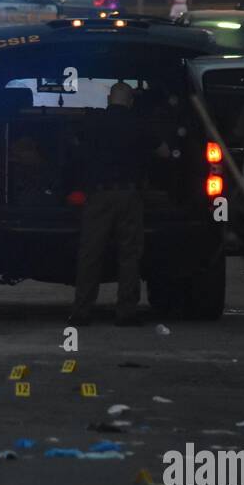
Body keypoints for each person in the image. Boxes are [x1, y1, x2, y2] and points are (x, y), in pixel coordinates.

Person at [69, 81, 163, 326]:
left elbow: (75, 148)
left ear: (109, 99)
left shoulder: (93, 122)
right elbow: (163, 151)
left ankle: (82, 311)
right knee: (129, 254)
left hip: (98, 196)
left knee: (90, 254)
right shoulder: (139, 124)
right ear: (131, 101)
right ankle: (126, 312)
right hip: (128, 195)